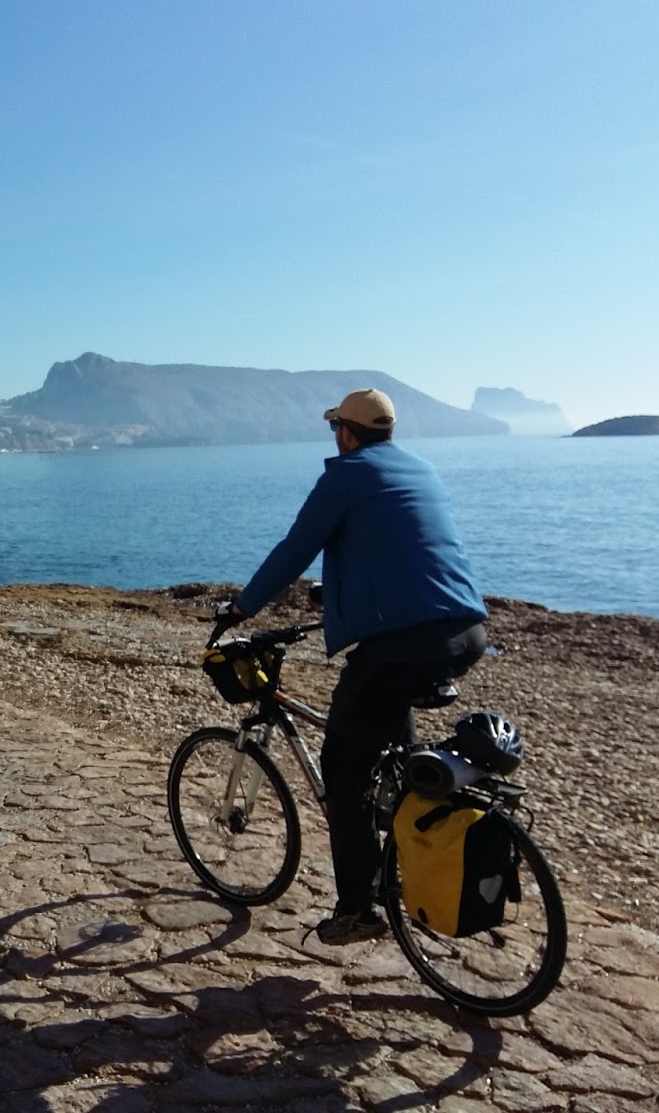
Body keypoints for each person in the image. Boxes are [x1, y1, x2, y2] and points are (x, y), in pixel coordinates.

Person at [218, 388, 489, 945]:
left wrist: (243, 607)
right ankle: (412, 852)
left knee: (344, 771)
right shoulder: (420, 469)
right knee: (394, 755)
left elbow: (295, 548)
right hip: (466, 633)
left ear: (346, 431)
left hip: (401, 646)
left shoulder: (346, 474)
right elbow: (403, 552)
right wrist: (338, 594)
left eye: (335, 429)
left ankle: (358, 909)